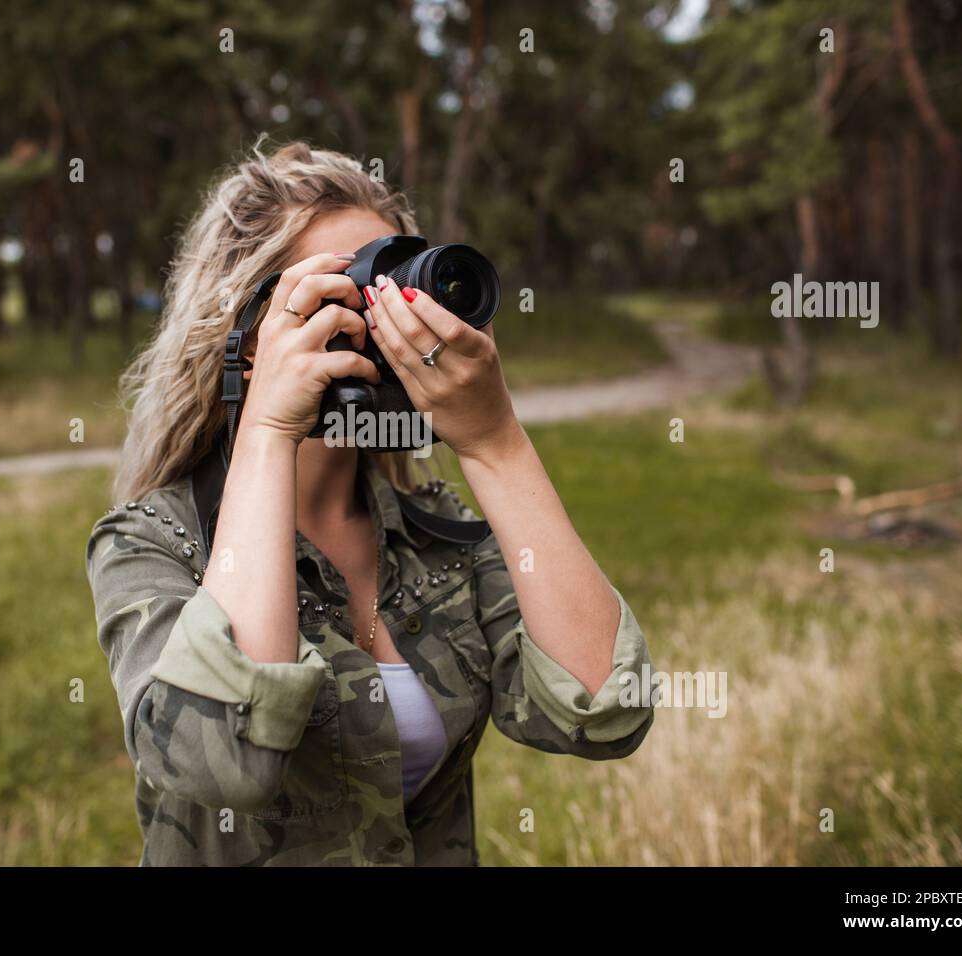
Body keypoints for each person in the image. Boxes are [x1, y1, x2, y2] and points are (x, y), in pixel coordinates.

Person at [86, 138, 654, 866]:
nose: (386, 325)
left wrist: (494, 441)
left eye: (397, 291)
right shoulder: (153, 542)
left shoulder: (436, 533)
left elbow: (607, 711)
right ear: (251, 335)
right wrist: (266, 425)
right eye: (347, 294)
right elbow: (220, 762)